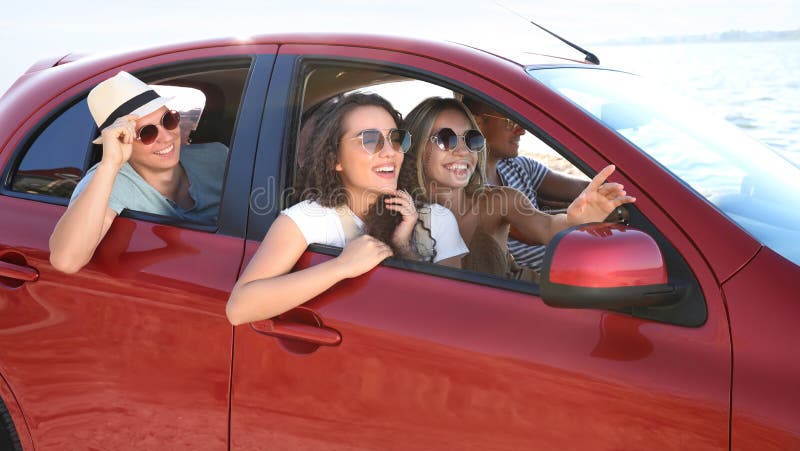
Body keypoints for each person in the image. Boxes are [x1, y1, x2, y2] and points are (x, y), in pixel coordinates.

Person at [225, 92, 467, 326]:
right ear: (335, 159)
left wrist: (403, 245)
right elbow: (239, 308)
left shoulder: (436, 220)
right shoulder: (308, 219)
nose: (389, 152)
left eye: (395, 139)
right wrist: (341, 267)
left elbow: (453, 312)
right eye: (370, 140)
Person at [401, 97, 635, 281]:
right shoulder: (397, 210)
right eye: (446, 138)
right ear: (418, 146)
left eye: (471, 139)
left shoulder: (500, 201)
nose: (463, 151)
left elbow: (548, 226)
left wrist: (576, 221)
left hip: (518, 315)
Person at [49, 71, 227, 274]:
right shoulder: (111, 181)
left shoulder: (217, 156)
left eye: (169, 120)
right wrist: (109, 164)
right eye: (147, 133)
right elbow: (66, 261)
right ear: (120, 139)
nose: (167, 137)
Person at [462, 96, 590, 273]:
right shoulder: (463, 188)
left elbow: (583, 189)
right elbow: (538, 228)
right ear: (478, 123)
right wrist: (595, 214)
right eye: (510, 121)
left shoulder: (521, 166)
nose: (521, 130)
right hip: (535, 291)